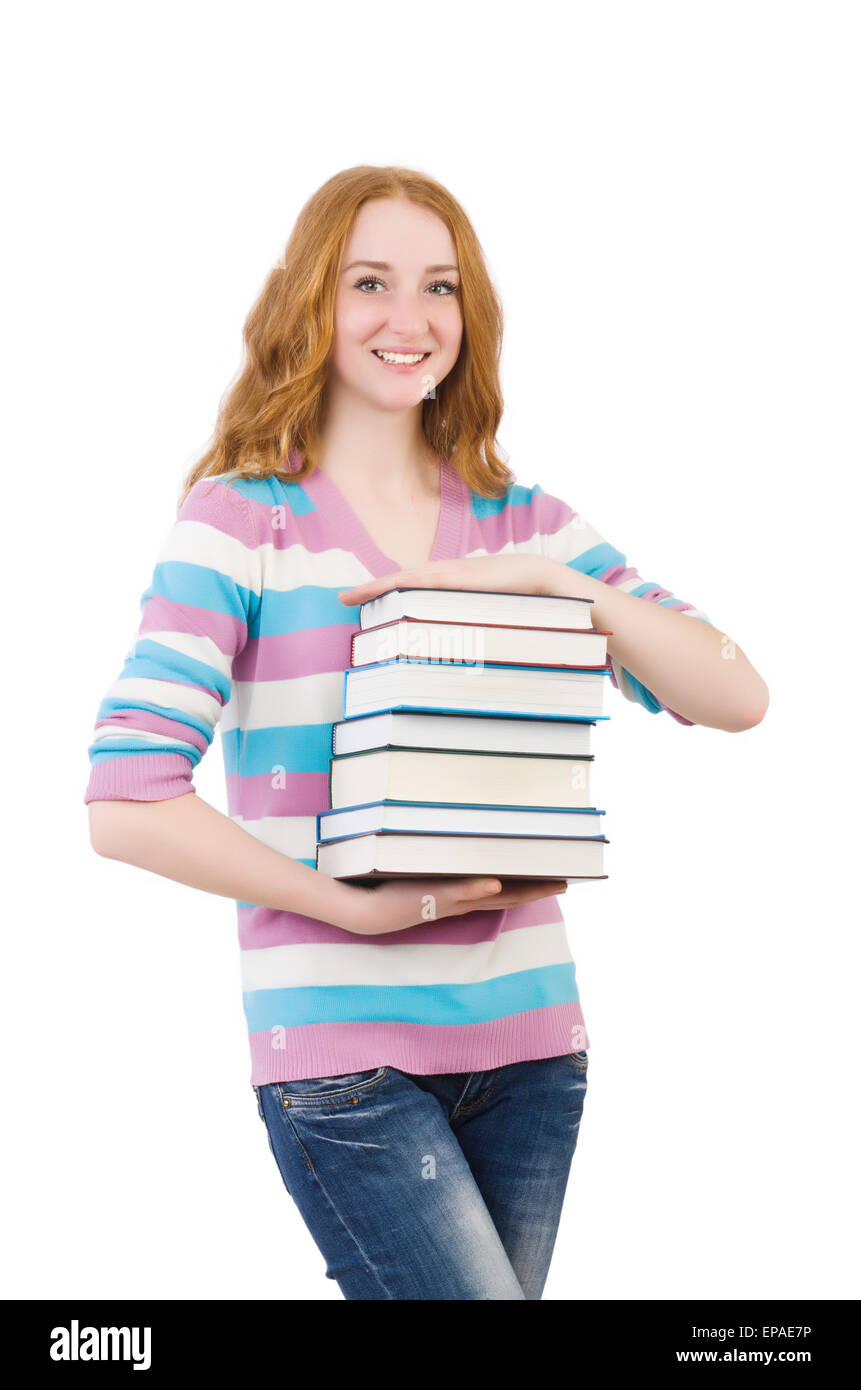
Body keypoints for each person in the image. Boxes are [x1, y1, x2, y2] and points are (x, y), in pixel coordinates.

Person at [84, 165, 769, 1301]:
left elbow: (734, 696)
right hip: (344, 1060)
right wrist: (346, 904)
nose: (412, 319)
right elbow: (126, 800)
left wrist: (562, 586)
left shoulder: (529, 521)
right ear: (310, 301)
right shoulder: (241, 521)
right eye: (371, 283)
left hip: (536, 1050)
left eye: (440, 287)